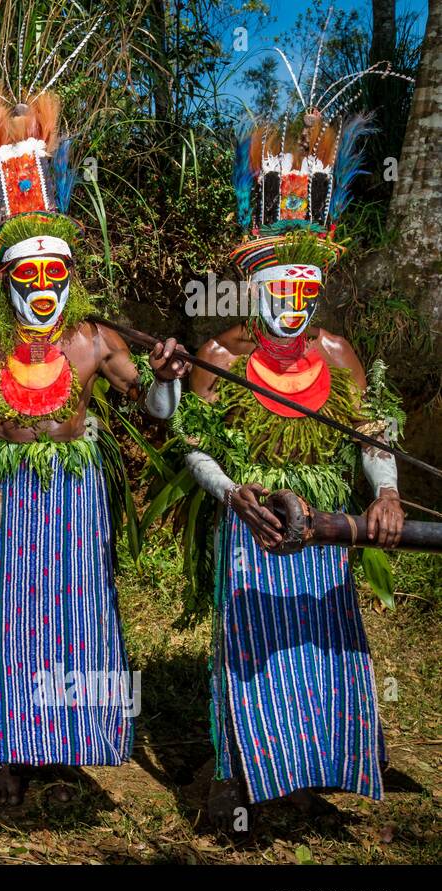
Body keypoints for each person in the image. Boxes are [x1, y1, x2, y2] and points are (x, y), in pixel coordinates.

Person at [0, 88, 189, 804]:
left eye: (54, 274)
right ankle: (0, 752)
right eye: (27, 275)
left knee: (73, 609)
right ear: (6, 278)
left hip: (74, 496)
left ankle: (62, 750)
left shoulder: (93, 341)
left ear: (70, 276)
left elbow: (150, 407)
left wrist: (168, 380)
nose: (43, 288)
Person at [174, 106, 403, 824]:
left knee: (318, 644)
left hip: (324, 533)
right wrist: (227, 489)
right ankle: (239, 774)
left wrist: (387, 494)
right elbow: (193, 442)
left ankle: (303, 770)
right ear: (254, 282)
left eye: (306, 288)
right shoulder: (222, 355)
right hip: (252, 525)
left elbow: (374, 434)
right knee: (248, 652)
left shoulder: (337, 355)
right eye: (281, 287)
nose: (294, 303)